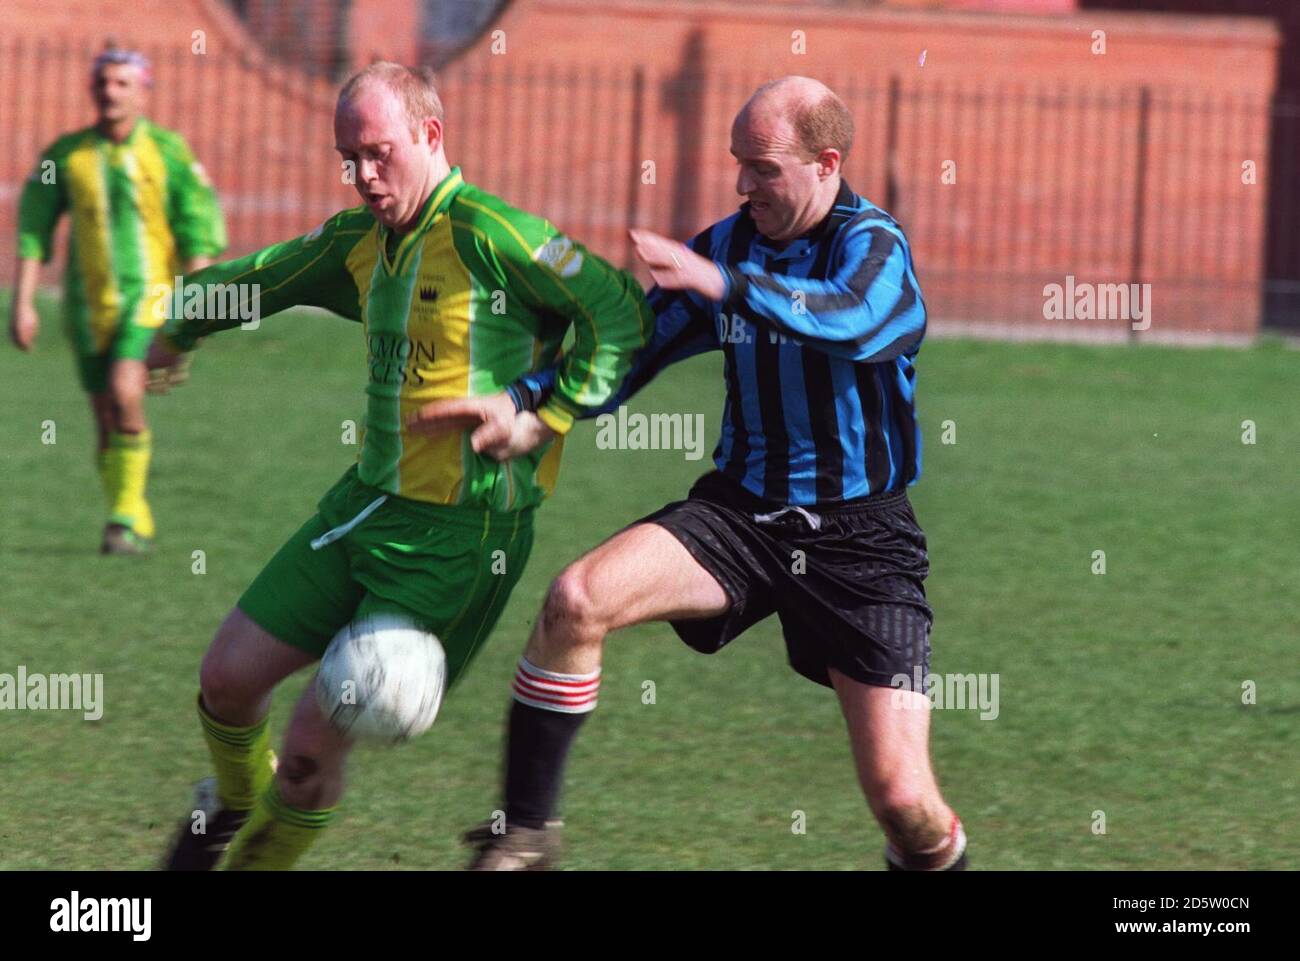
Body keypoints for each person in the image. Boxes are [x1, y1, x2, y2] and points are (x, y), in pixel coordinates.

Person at [415, 76, 967, 871]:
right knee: (577, 600)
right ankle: (525, 837)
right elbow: (637, 349)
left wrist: (728, 286)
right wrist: (528, 401)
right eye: (738, 163)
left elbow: (860, 320)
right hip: (741, 516)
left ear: (827, 163)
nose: (743, 185)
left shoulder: (873, 244)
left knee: (906, 804)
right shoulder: (728, 245)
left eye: (764, 168)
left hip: (862, 542)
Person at [157, 61, 651, 870]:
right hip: (366, 506)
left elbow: (620, 311)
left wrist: (545, 414)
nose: (363, 175)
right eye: (348, 157)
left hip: (463, 539)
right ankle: (237, 797)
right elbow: (262, 280)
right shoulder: (361, 242)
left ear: (431, 134)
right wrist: (178, 325)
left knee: (314, 750)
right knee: (226, 679)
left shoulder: (496, 235)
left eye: (380, 152)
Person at [10, 48, 226, 554]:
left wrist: (192, 320)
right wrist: (22, 303)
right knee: (104, 413)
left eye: (123, 83)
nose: (111, 92)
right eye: (104, 82)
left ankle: (124, 517)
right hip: (86, 309)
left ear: (143, 91)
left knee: (125, 388)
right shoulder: (65, 156)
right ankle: (125, 517)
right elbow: (33, 230)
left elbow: (199, 234)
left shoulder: (169, 152)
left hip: (149, 300)